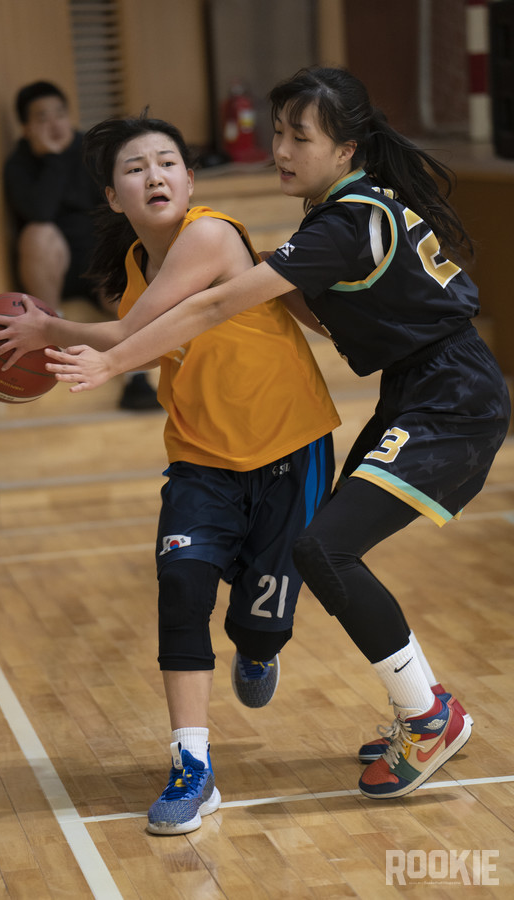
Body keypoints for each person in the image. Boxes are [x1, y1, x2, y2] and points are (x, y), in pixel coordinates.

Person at [41, 67, 511, 801]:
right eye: (278, 132)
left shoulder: (344, 224)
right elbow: (301, 302)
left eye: (300, 136)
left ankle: (429, 716)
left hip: (451, 393)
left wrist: (111, 363)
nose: (280, 148)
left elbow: (213, 305)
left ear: (346, 150)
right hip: (422, 387)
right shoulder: (349, 212)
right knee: (321, 550)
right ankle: (420, 708)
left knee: (323, 548)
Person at [0, 113, 340, 832]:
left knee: (258, 628)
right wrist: (60, 343)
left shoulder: (211, 234)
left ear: (191, 178)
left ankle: (259, 645)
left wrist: (48, 329)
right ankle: (192, 763)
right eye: (135, 169)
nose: (155, 176)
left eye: (167, 162)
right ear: (114, 197)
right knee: (180, 585)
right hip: (201, 458)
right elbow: (138, 337)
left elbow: (127, 338)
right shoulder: (142, 269)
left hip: (289, 450)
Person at [4, 80, 158, 410]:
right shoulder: (18, 163)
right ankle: (51, 325)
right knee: (38, 232)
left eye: (60, 114)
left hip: (97, 260)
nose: (55, 124)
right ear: (27, 127)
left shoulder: (92, 150)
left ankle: (136, 379)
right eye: (43, 118)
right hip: (50, 267)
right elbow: (39, 211)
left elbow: (116, 213)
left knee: (121, 290)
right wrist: (54, 160)